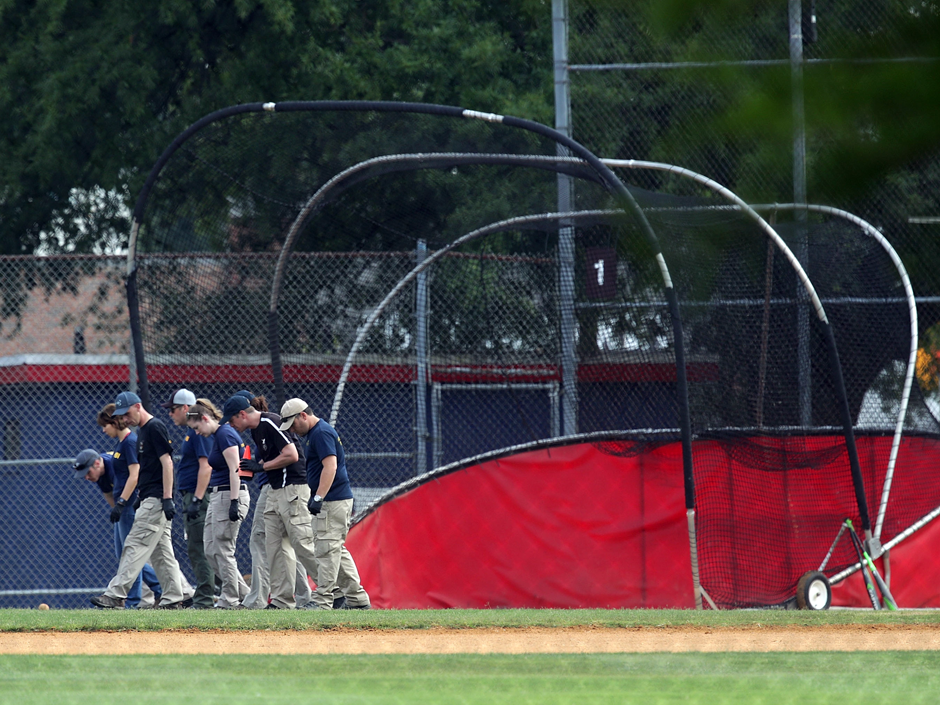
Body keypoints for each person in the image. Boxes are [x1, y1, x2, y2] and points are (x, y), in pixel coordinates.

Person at [91, 391, 187, 609]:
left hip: (157, 499)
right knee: (162, 553)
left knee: (133, 545)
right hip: (149, 497)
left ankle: (116, 594)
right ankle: (174, 599)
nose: (124, 420)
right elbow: (147, 469)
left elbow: (167, 463)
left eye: (126, 414)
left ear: (137, 406)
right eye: (122, 416)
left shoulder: (154, 427)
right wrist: (140, 498)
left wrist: (167, 497)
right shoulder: (142, 431)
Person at [227, 393, 318, 609]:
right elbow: (272, 456)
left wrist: (261, 467)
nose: (232, 426)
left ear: (242, 414)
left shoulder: (269, 421)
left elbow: (292, 454)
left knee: (301, 544)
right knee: (276, 546)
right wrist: (255, 464)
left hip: (293, 488)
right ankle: (281, 600)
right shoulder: (257, 430)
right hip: (276, 491)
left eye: (232, 421)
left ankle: (332, 592)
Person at [280, 398, 370, 610]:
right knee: (336, 549)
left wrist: (319, 497)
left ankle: (323, 602)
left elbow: (330, 466)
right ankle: (358, 600)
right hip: (333, 500)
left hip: (332, 500)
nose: (293, 429)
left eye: (293, 424)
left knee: (326, 551)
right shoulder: (315, 433)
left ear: (303, 415)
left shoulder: (321, 433)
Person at [73, 430, 161, 610]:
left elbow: (134, 481)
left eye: (87, 472)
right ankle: (161, 588)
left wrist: (122, 506)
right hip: (122, 509)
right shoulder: (99, 476)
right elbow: (108, 493)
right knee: (124, 556)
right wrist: (116, 509)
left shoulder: (114, 463)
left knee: (130, 555)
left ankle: (132, 602)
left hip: (133, 505)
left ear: (97, 463)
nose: (87, 477)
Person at [188, 398, 250, 609]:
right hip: (218, 495)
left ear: (205, 418)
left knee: (223, 549)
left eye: (197, 427)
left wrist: (234, 502)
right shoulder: (218, 435)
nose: (197, 432)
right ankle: (246, 596)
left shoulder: (224, 434)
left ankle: (230, 599)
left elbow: (235, 469)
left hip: (228, 494)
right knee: (211, 549)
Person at [162, 388, 215, 609]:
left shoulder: (197, 432)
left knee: (198, 547)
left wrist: (197, 499)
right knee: (200, 546)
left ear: (186, 408)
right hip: (193, 494)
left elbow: (206, 466)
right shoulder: (190, 432)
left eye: (173, 409)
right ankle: (219, 594)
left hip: (198, 495)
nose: (170, 414)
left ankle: (204, 599)